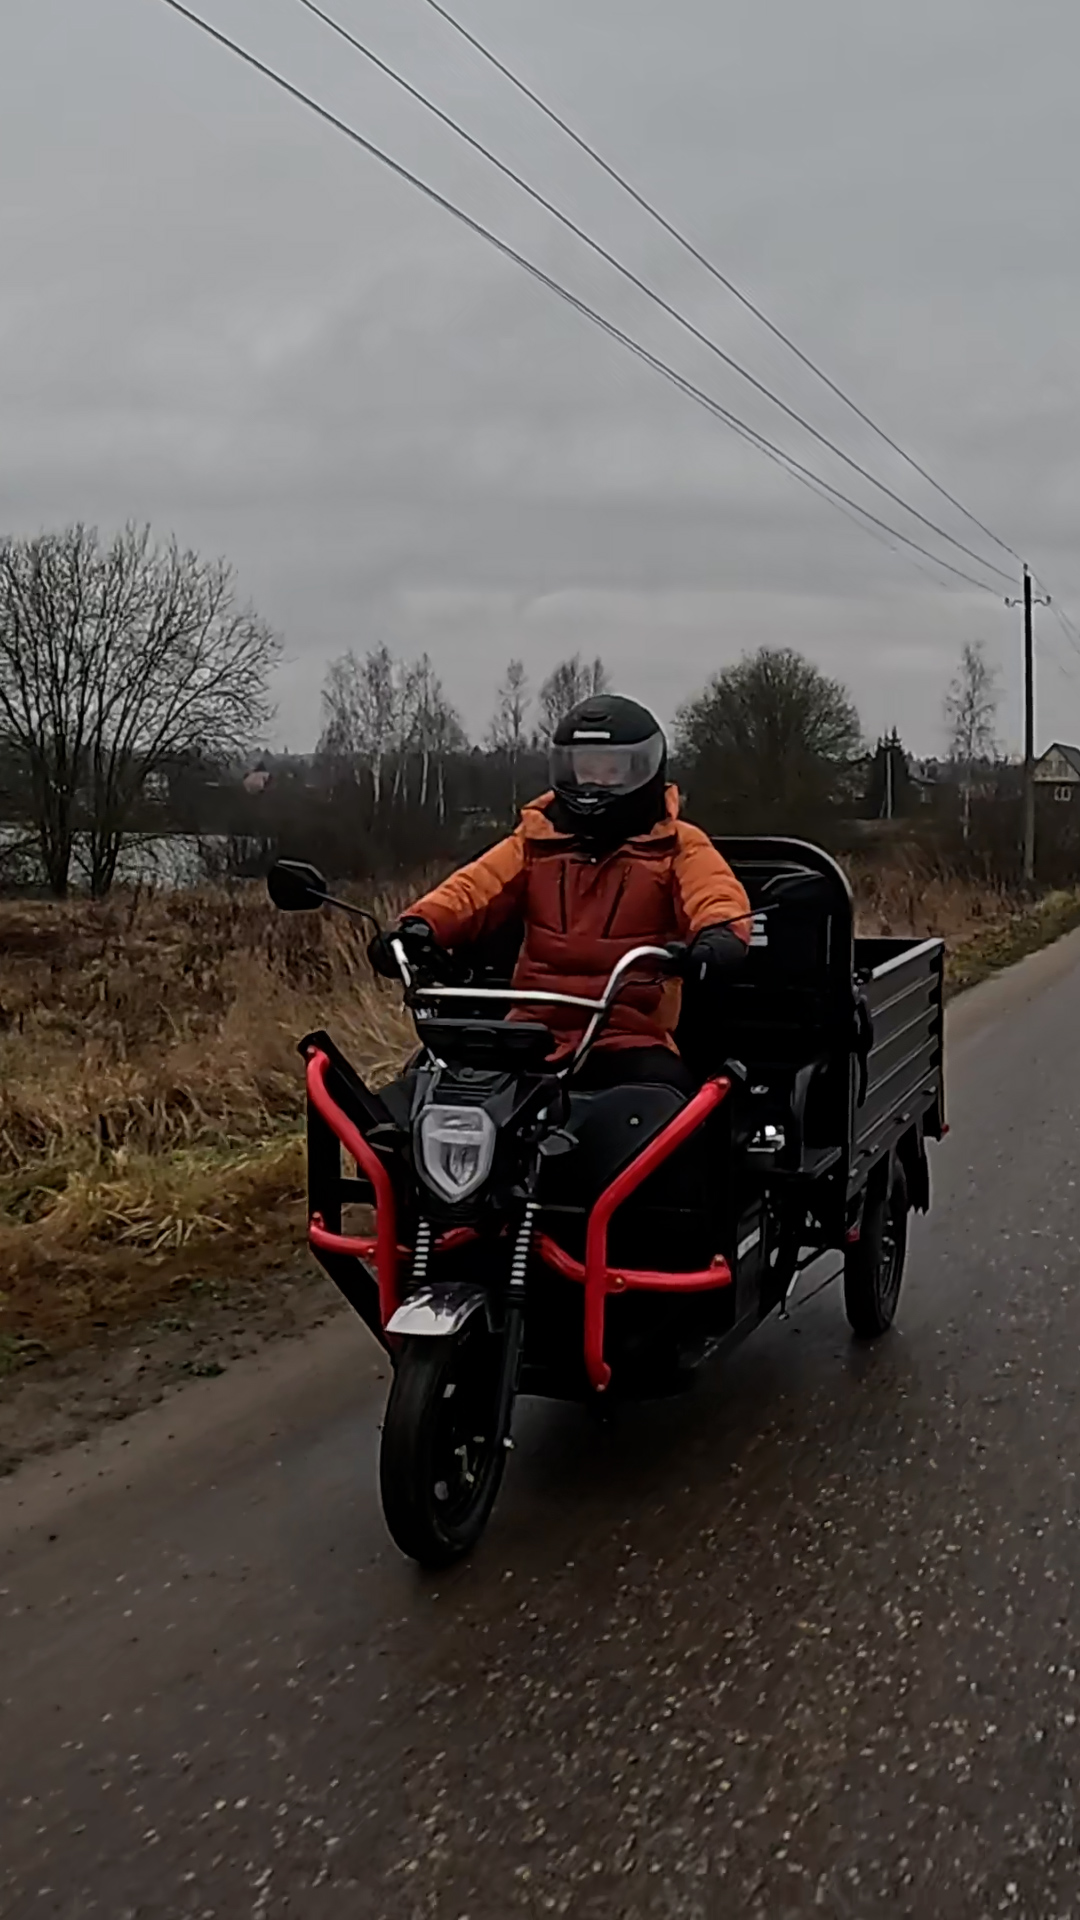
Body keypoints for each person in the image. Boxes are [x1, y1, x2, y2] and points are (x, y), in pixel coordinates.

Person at [369, 693, 752, 1093]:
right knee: (430, 1094)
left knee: (665, 1104)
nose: (595, 783)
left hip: (627, 1034)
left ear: (644, 770)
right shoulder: (536, 842)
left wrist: (718, 940)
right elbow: (472, 889)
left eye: (611, 771)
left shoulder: (677, 847)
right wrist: (417, 928)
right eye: (586, 769)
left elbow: (716, 896)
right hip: (531, 1028)